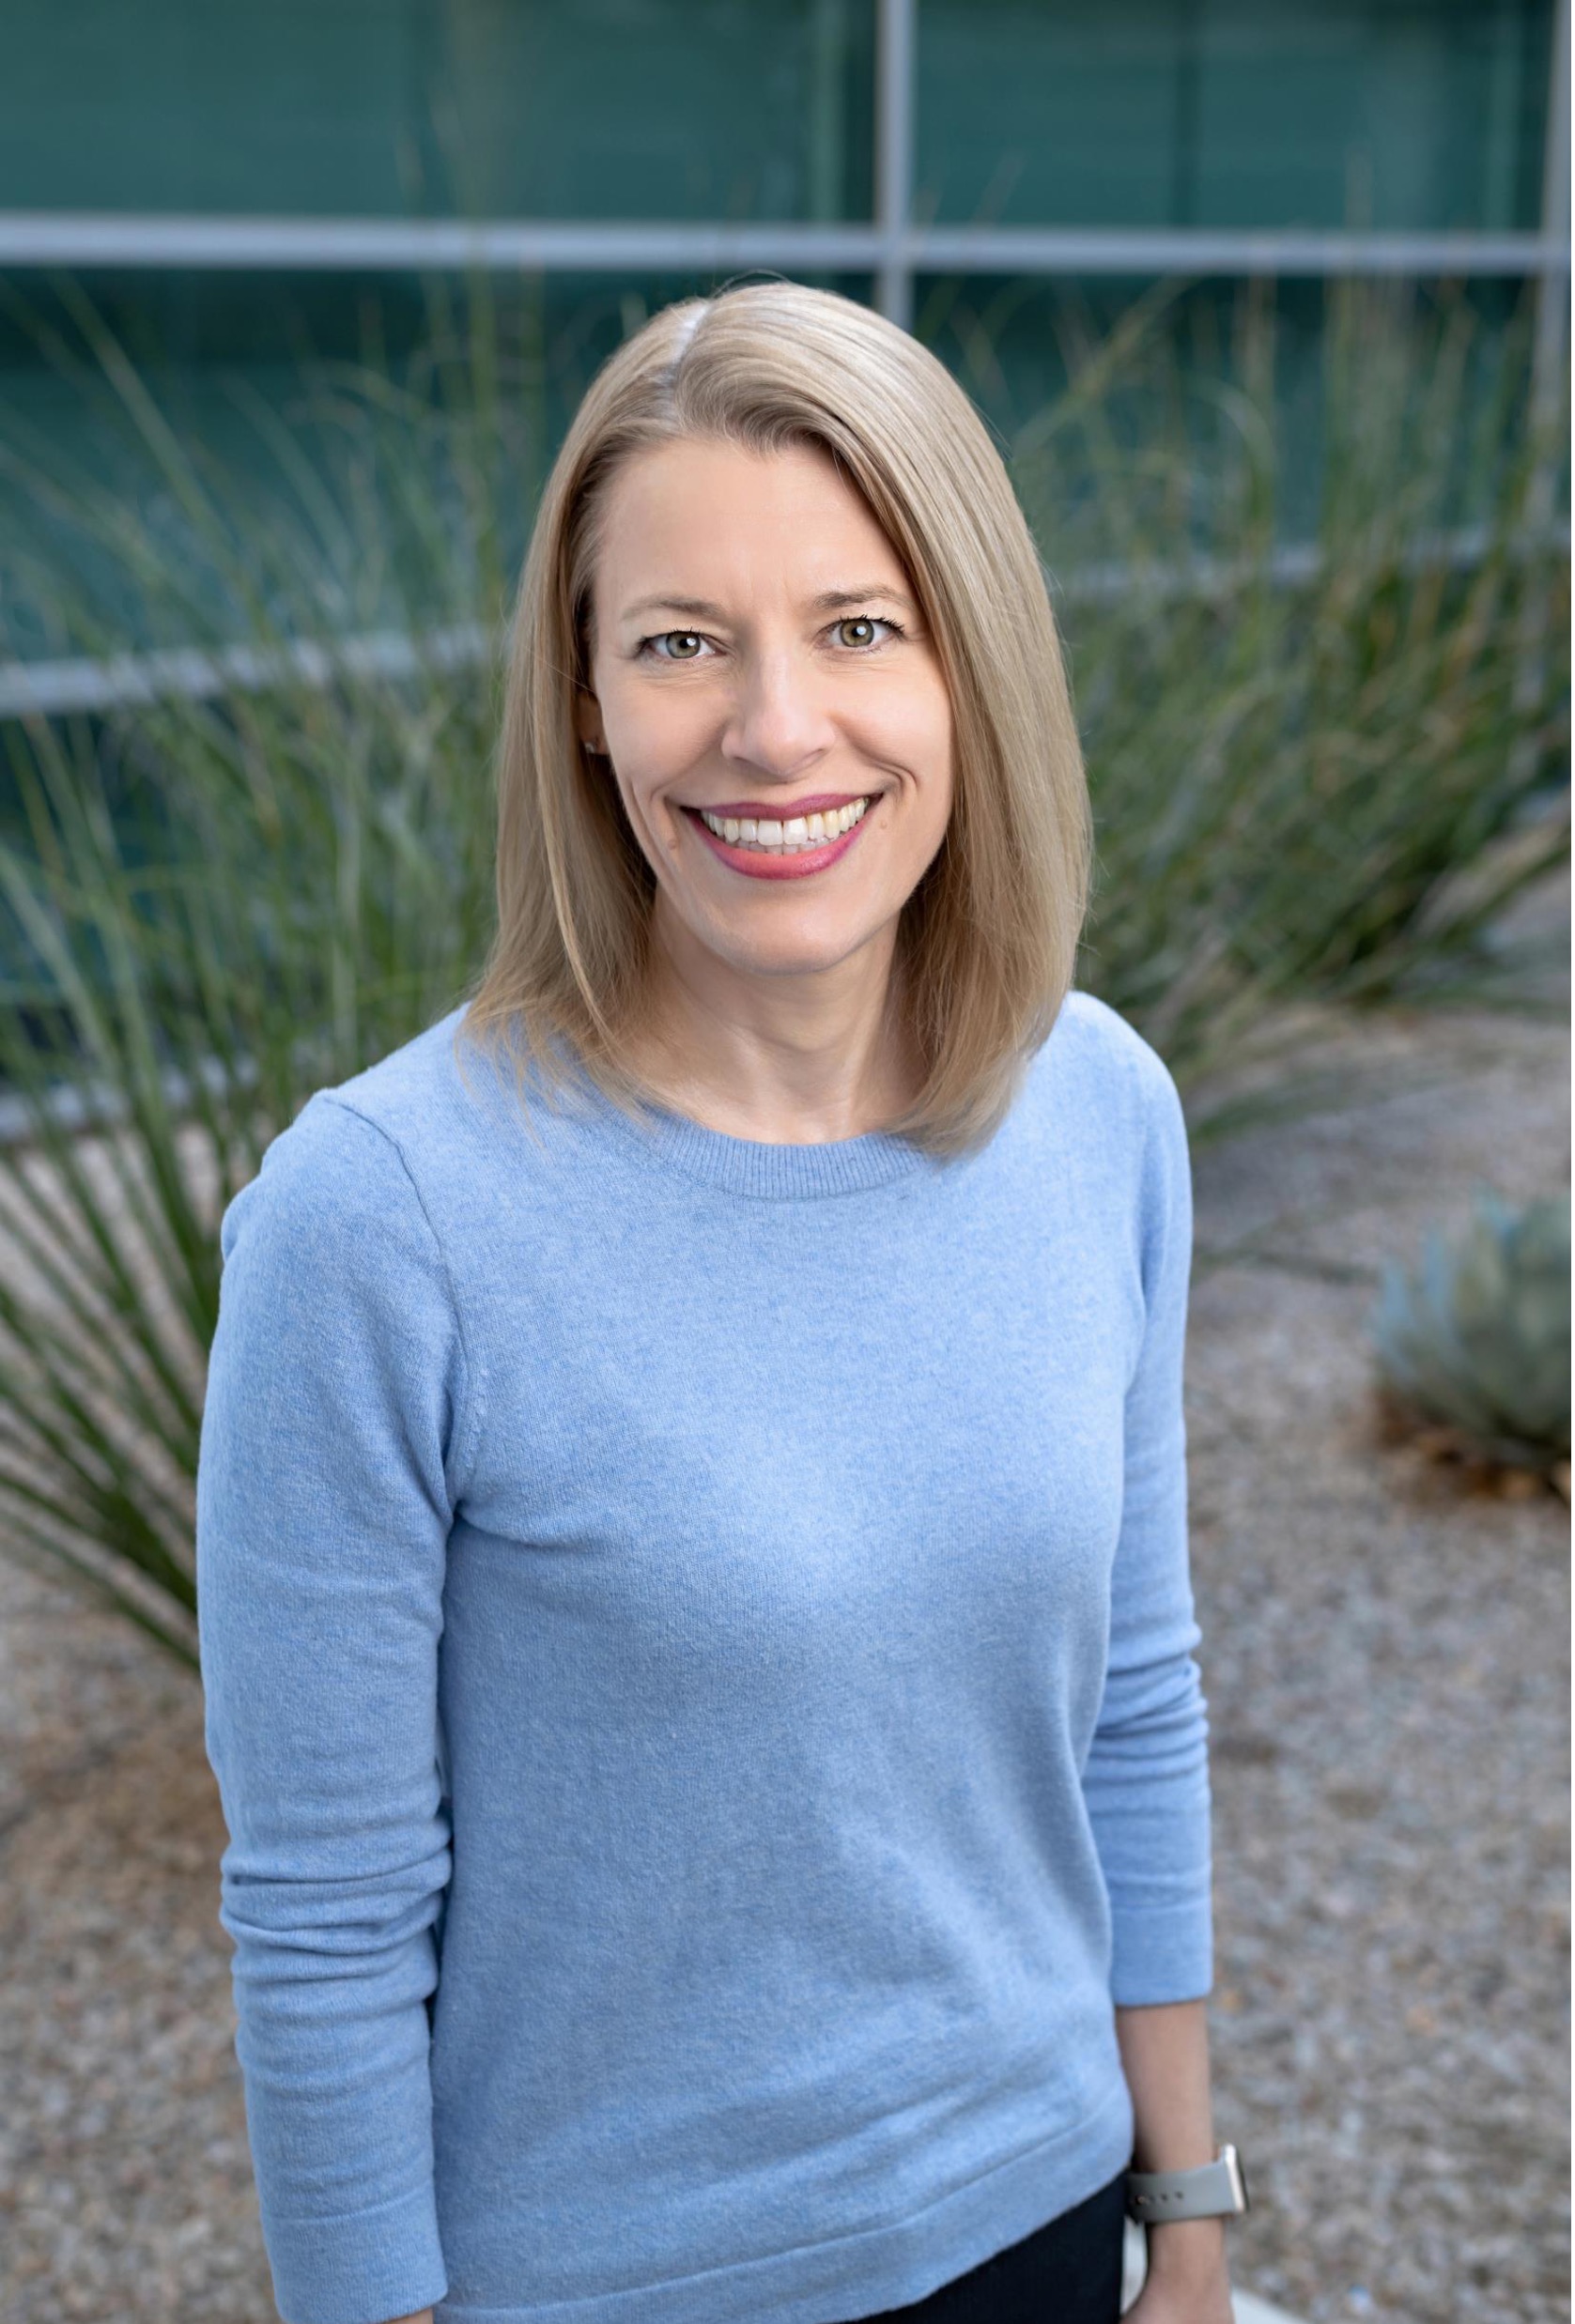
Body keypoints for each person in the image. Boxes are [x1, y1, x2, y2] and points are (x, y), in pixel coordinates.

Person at [196, 280, 1243, 2324]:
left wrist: (1183, 2206)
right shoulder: (379, 1219)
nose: (775, 729)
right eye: (680, 642)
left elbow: (1133, 1687)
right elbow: (323, 1920)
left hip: (1043, 2224)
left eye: (859, 627)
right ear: (581, 694)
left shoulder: (1095, 1107)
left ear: (968, 671)